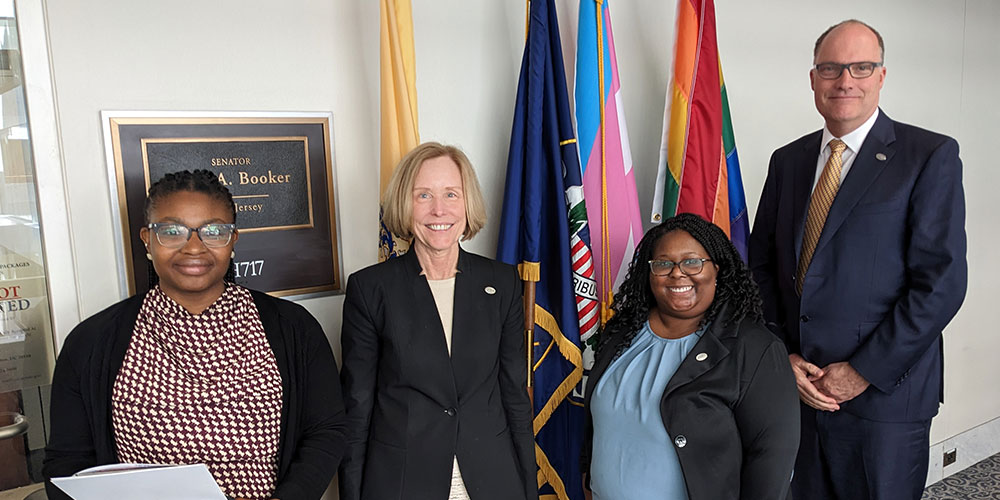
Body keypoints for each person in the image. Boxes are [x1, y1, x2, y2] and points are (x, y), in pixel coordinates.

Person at [748, 19, 968, 500]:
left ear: (881, 76)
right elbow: (759, 266)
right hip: (799, 389)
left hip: (885, 398)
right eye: (830, 68)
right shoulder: (788, 161)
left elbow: (941, 282)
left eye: (861, 67)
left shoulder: (928, 155)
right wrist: (782, 354)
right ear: (813, 79)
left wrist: (864, 370)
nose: (845, 80)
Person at [42, 170, 347, 500]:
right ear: (147, 239)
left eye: (213, 231)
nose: (193, 248)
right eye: (171, 231)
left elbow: (326, 431)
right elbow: (66, 462)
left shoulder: (293, 328)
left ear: (233, 240)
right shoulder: (91, 342)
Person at [338, 142, 536, 500]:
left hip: (492, 479)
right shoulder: (370, 289)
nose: (439, 209)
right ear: (404, 202)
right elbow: (357, 408)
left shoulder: (502, 282)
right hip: (402, 482)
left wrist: (528, 490)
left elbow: (514, 397)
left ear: (467, 202)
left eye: (450, 194)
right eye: (424, 195)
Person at [582, 213, 799, 500]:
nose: (677, 273)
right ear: (649, 273)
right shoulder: (620, 335)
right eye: (663, 263)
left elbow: (772, 458)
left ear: (717, 269)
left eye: (692, 262)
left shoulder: (753, 348)